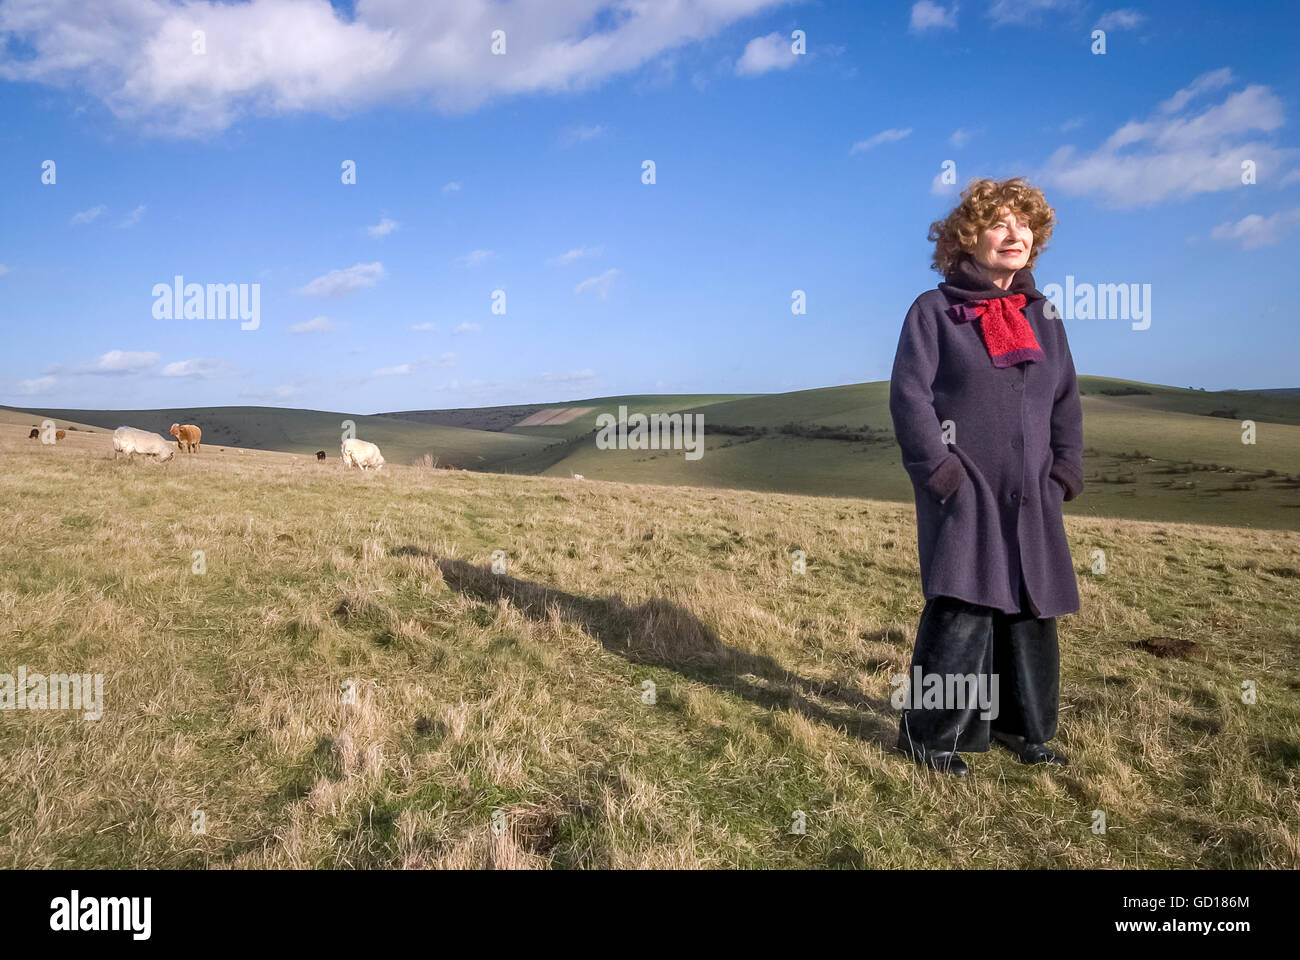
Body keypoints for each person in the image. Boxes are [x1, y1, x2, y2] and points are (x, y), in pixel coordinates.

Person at [889, 177, 1084, 777]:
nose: (1014, 234)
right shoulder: (934, 312)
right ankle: (931, 737)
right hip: (965, 487)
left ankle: (1024, 730)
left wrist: (1064, 472)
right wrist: (941, 472)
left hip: (1032, 495)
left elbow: (1065, 400)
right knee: (962, 605)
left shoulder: (1042, 316)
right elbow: (909, 397)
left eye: (1024, 225)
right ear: (967, 238)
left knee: (1031, 608)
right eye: (999, 223)